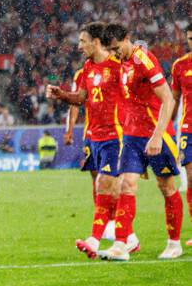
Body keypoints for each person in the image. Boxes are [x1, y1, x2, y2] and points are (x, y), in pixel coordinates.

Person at [103, 23, 181, 261]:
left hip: (157, 133)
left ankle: (174, 243)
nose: (115, 53)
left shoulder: (143, 60)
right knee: (126, 184)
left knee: (166, 187)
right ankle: (120, 244)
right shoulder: (122, 62)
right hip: (132, 136)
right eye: (111, 50)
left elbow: (168, 99)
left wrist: (157, 135)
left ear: (127, 38)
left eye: (117, 47)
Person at [48, 22, 123, 256]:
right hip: (95, 135)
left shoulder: (118, 67)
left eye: (82, 41)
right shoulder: (87, 68)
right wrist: (62, 95)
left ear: (96, 42)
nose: (79, 46)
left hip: (116, 134)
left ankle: (95, 239)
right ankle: (126, 236)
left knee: (107, 183)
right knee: (105, 183)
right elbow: (80, 98)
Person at [170, 25, 192, 247]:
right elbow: (174, 98)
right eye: (189, 39)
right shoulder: (180, 65)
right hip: (188, 128)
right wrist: (168, 121)